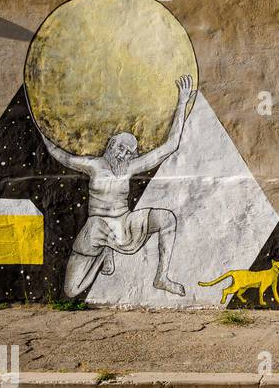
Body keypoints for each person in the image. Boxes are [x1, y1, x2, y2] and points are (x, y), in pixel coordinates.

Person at [40, 75, 195, 297]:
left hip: (124, 223)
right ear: (112, 144)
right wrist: (42, 125)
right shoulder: (93, 165)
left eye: (129, 152)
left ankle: (161, 277)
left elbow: (170, 146)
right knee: (71, 290)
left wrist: (182, 102)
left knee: (167, 218)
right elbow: (61, 155)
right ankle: (103, 254)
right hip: (97, 227)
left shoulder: (129, 167)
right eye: (121, 148)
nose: (124, 154)